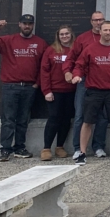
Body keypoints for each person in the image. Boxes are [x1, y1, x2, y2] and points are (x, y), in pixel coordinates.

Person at [0, 14, 47, 161]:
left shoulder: (40, 43)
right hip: (10, 87)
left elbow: (44, 66)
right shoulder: (8, 41)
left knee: (23, 119)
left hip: (29, 87)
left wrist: (37, 83)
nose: (27, 26)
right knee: (8, 119)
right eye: (24, 23)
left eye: (29, 24)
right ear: (19, 24)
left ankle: (20, 147)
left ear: (33, 25)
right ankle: (5, 149)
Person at [70, 20, 110, 164]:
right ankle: (82, 152)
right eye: (105, 30)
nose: (108, 33)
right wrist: (77, 75)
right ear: (100, 31)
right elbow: (80, 65)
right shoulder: (90, 49)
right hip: (94, 90)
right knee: (87, 121)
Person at [64, 11, 109, 158]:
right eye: (95, 20)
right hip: (85, 82)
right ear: (91, 22)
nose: (98, 23)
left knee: (102, 117)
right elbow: (71, 58)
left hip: (104, 83)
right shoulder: (83, 39)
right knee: (80, 116)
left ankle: (98, 146)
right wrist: (67, 72)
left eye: (101, 20)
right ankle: (78, 148)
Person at [38, 25, 76, 161]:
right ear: (58, 36)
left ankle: (60, 147)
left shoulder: (75, 50)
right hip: (54, 91)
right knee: (54, 118)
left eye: (67, 34)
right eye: (62, 34)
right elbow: (44, 71)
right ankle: (46, 148)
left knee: (66, 119)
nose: (64, 36)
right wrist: (46, 91)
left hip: (71, 91)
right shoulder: (51, 50)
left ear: (71, 35)